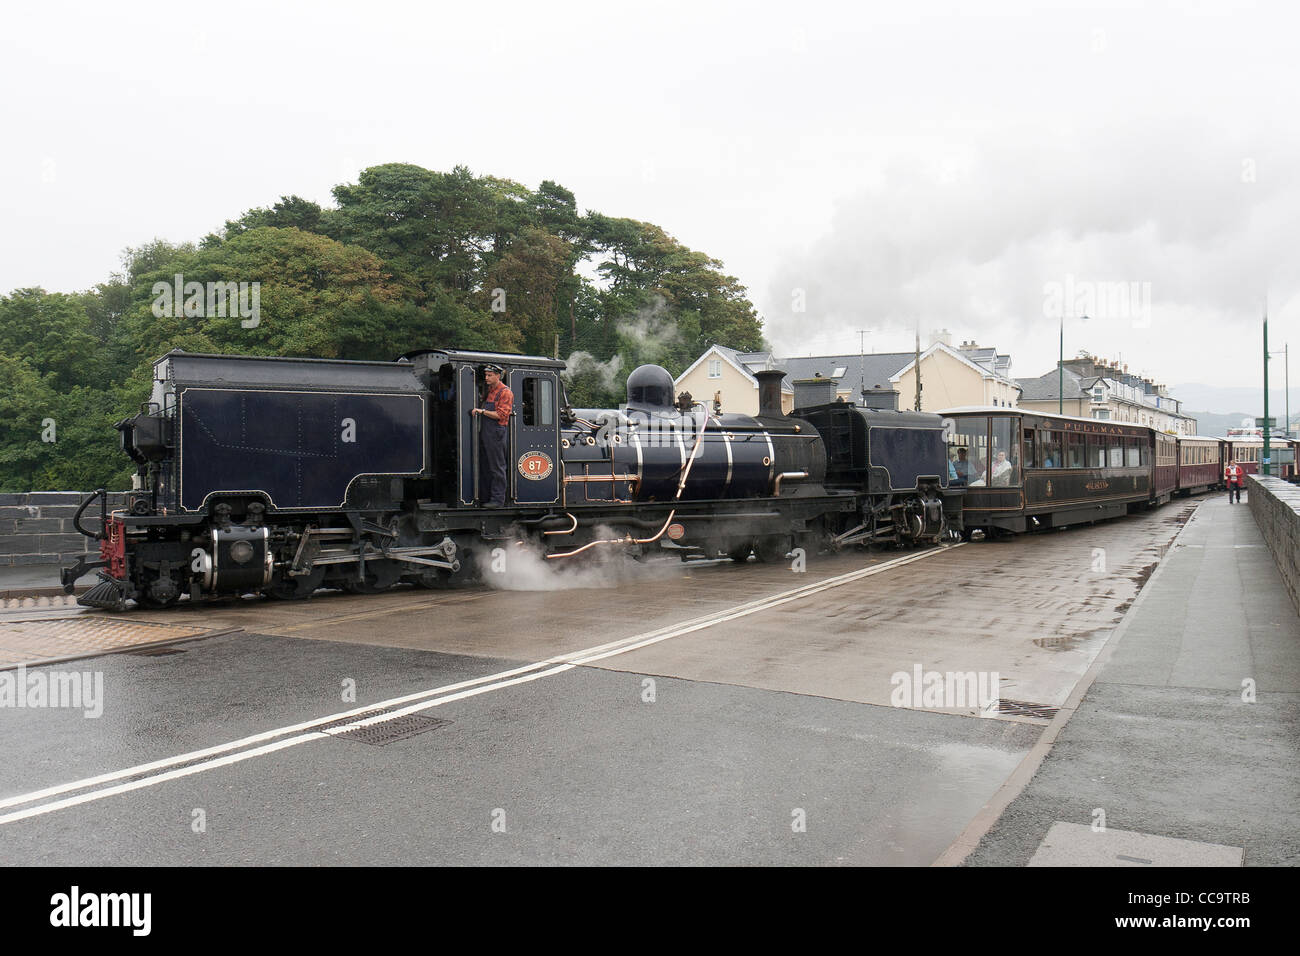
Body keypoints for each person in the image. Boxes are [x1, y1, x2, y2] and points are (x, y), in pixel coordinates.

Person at [473, 364, 513, 507]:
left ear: (498, 375)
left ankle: (498, 500)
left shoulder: (505, 393)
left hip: (496, 432)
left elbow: (501, 414)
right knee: (485, 464)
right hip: (486, 431)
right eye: (486, 375)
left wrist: (481, 411)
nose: (487, 378)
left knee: (498, 467)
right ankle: (485, 496)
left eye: (489, 375)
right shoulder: (490, 390)